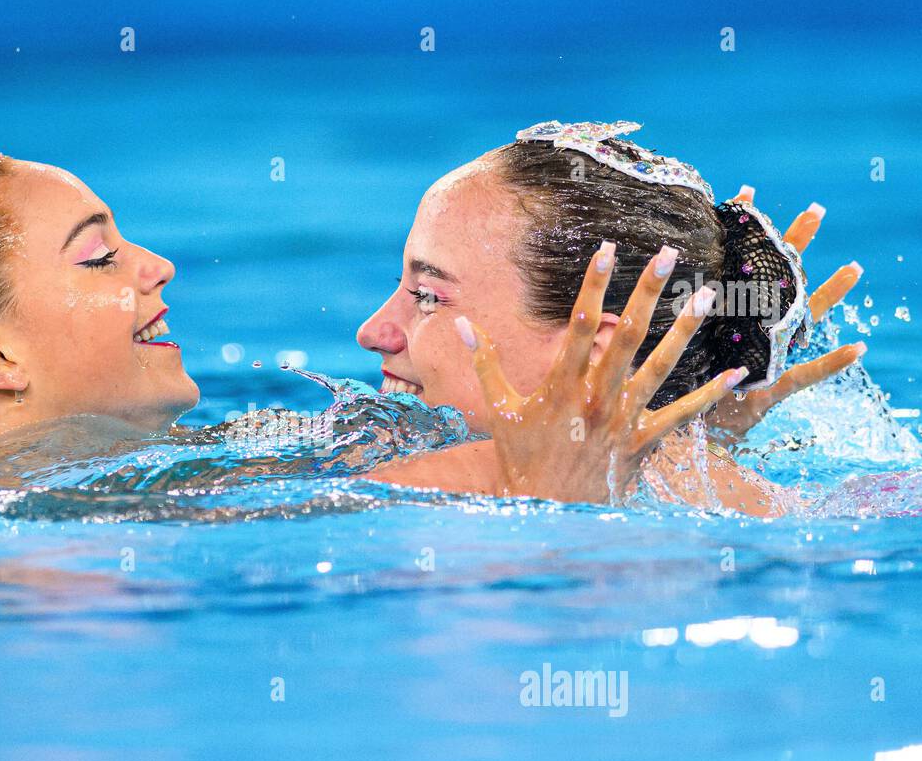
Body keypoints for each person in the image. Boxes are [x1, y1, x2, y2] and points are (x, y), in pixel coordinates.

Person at [0, 138, 851, 508]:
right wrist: (539, 482)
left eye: (427, 292)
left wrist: (671, 429)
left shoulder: (216, 463)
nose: (157, 265)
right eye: (98, 254)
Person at [356, 120, 865, 513]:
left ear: (596, 349)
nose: (373, 332)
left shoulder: (405, 493)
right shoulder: (782, 511)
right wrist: (698, 434)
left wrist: (540, 507)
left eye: (428, 297)